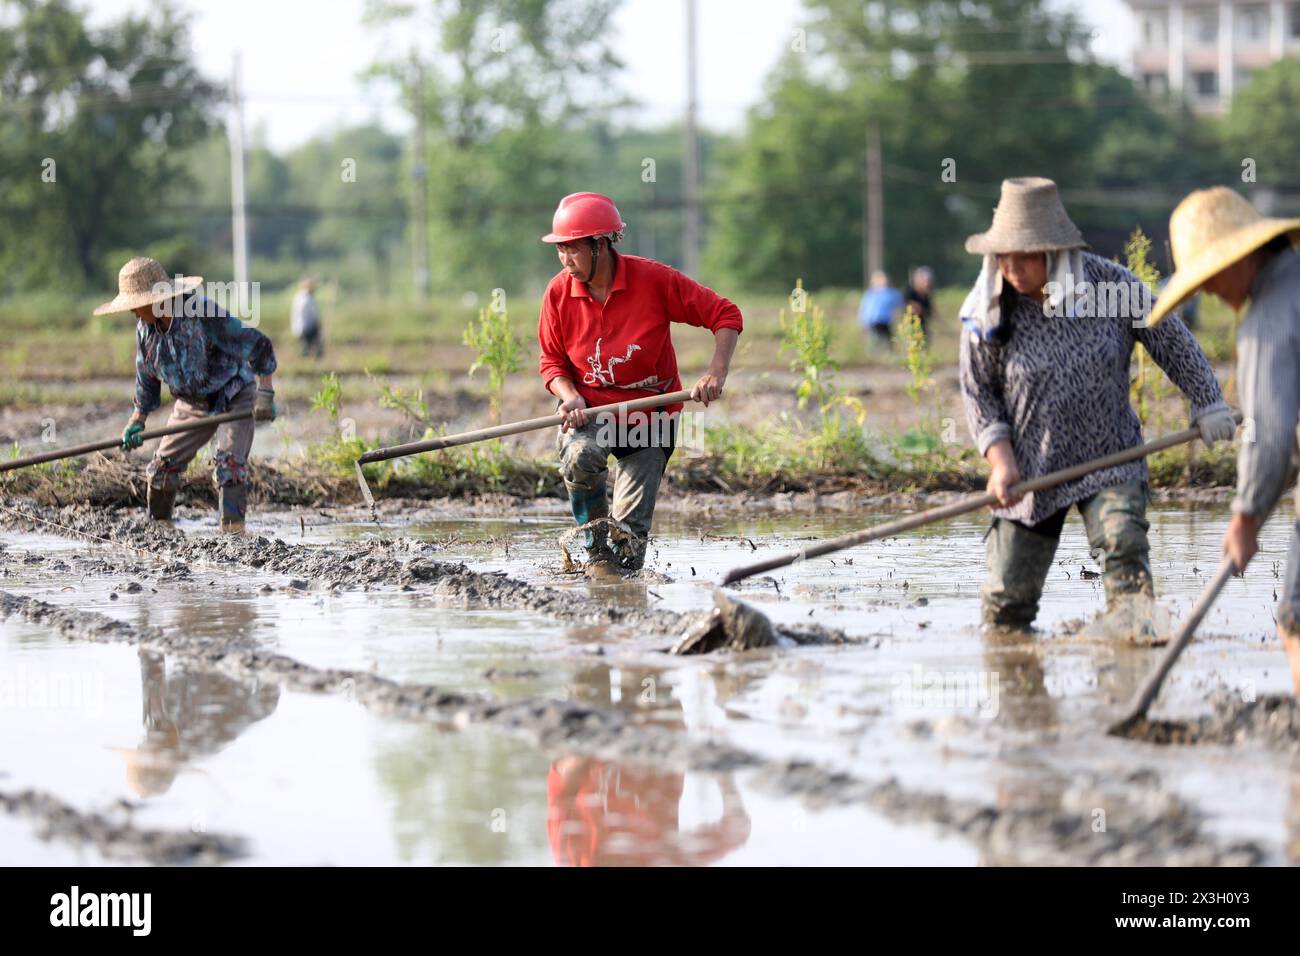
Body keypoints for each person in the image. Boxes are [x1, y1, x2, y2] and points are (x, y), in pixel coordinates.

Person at [958, 178, 1234, 630]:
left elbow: (1172, 339)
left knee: (1123, 549)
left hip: (1111, 457)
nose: (1010, 266)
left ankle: (1133, 652)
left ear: (1052, 250)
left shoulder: (1109, 286)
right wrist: (1001, 463)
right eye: (1001, 255)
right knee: (1007, 606)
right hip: (1031, 470)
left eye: (1023, 254)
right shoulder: (988, 310)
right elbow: (980, 394)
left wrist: (1208, 401)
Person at [537, 192, 742, 572]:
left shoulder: (654, 280)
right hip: (592, 413)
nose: (566, 260)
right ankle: (593, 544)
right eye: (560, 249)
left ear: (601, 244)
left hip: (650, 416)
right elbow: (552, 362)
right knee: (580, 456)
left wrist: (716, 372)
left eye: (573, 249)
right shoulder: (558, 293)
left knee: (628, 547)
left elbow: (725, 314)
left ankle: (616, 573)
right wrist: (569, 397)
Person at [1148, 186, 1300, 692]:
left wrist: (1245, 516)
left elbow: (1271, 434)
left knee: (1296, 626)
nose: (1208, 293)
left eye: (1208, 278)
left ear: (1240, 258)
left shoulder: (1268, 320)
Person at [94, 256, 277, 533]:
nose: (133, 312)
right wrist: (137, 420)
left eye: (136, 305)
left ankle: (233, 534)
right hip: (191, 403)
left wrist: (265, 392)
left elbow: (256, 344)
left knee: (229, 468)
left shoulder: (202, 313)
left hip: (233, 394)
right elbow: (146, 376)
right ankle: (159, 531)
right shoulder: (145, 330)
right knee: (161, 471)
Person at [859, 270, 902, 345]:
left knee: (888, 341)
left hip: (885, 321)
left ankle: (884, 353)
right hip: (873, 321)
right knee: (877, 340)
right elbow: (863, 309)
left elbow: (899, 303)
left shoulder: (891, 293)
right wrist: (862, 322)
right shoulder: (870, 293)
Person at [290, 278, 324, 358]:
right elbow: (312, 314)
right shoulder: (307, 298)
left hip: (300, 327)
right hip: (306, 326)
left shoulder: (299, 296)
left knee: (305, 346)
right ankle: (311, 361)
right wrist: (317, 324)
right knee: (309, 347)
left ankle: (306, 360)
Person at [903, 266, 937, 338]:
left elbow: (929, 311)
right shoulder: (910, 292)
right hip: (911, 325)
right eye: (925, 281)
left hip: (921, 325)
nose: (927, 284)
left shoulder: (926, 295)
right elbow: (908, 305)